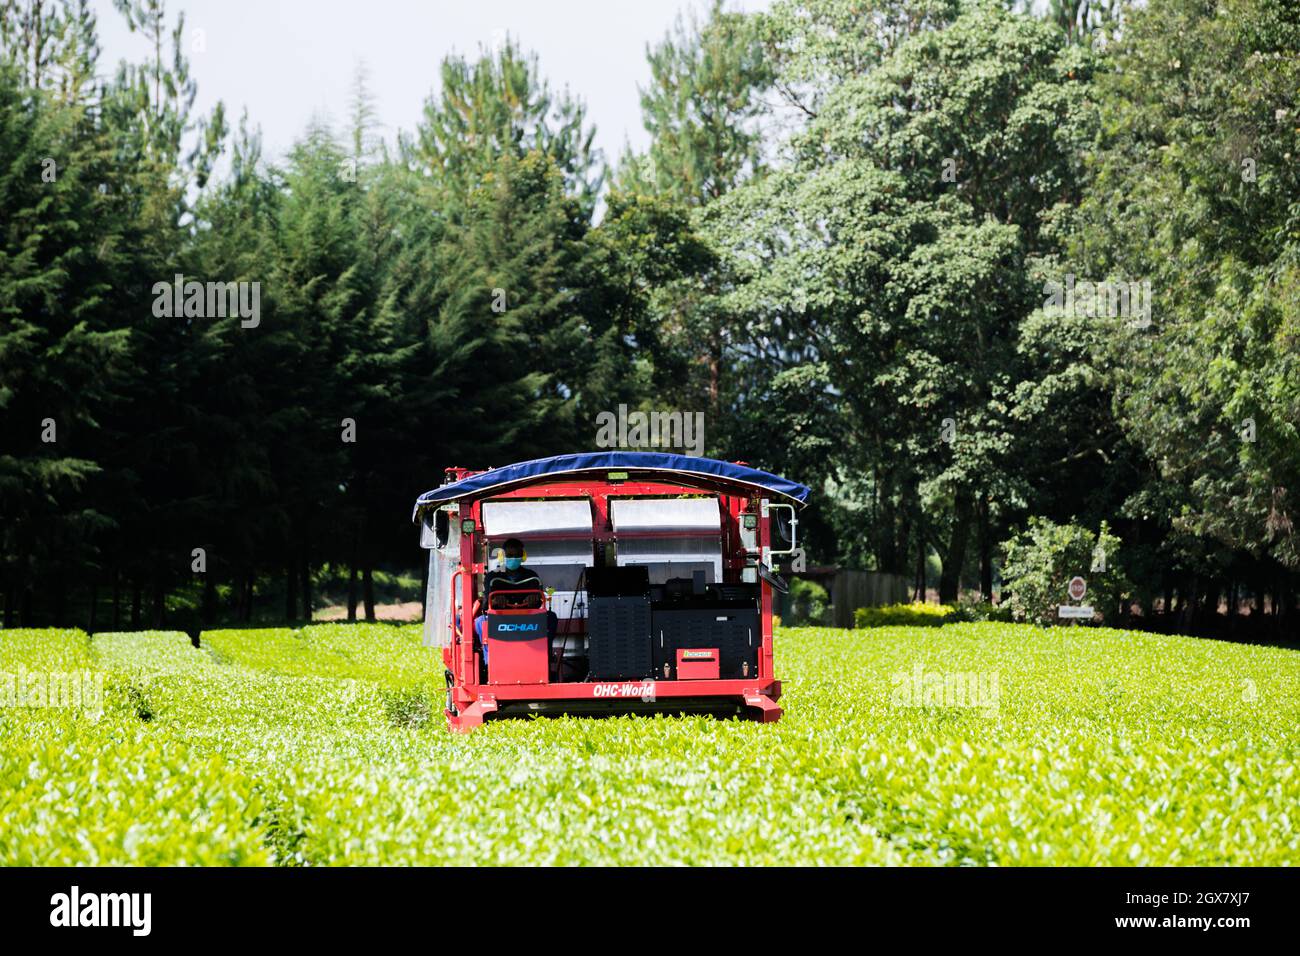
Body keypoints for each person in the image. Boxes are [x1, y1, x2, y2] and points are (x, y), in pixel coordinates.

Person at [474, 538, 558, 663]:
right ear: (503, 556)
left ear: (522, 557)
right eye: (510, 555)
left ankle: (545, 656)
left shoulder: (531, 576)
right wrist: (495, 600)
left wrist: (534, 599)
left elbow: (538, 599)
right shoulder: (492, 576)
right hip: (501, 618)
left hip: (527, 618)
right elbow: (487, 601)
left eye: (517, 555)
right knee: (480, 622)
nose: (513, 558)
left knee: (551, 617)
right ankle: (489, 661)